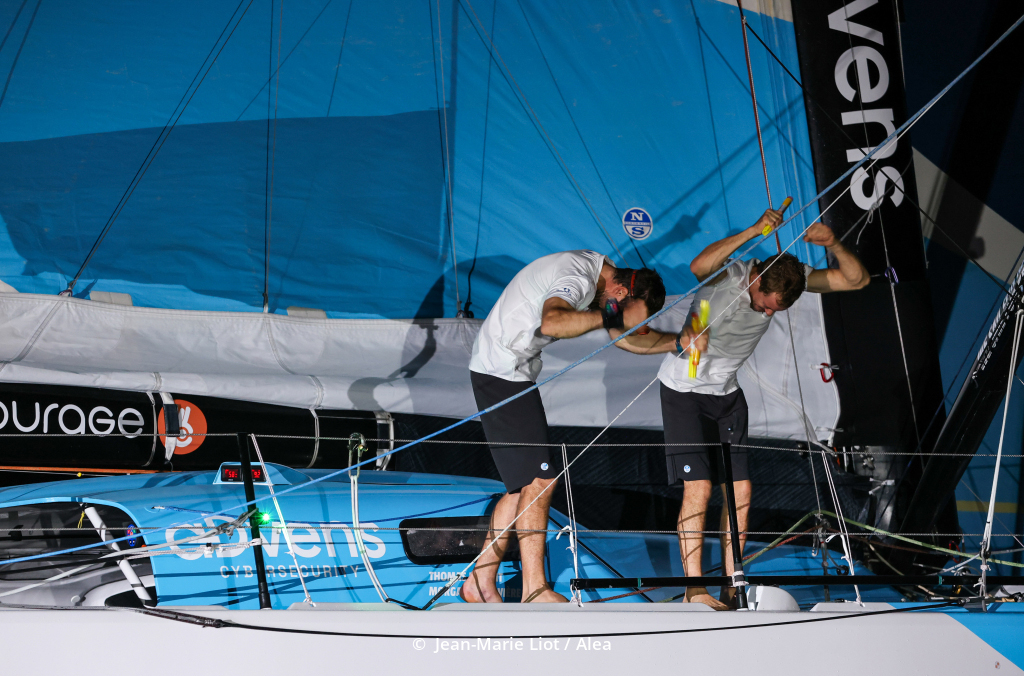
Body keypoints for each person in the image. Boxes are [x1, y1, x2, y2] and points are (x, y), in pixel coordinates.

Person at [610, 205, 869, 609]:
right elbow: (698, 264)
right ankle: (695, 591)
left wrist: (834, 243)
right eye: (766, 305)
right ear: (759, 279)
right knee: (700, 487)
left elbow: (857, 280)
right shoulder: (729, 276)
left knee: (741, 490)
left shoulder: (788, 280)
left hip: (727, 395)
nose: (767, 313)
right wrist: (753, 228)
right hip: (683, 388)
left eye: (774, 311)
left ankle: (734, 588)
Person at [462, 250, 666, 603]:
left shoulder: (600, 280)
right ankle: (535, 590)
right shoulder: (576, 277)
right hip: (501, 371)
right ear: (620, 294)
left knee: (521, 489)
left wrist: (679, 342)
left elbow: (627, 337)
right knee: (541, 482)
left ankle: (479, 582)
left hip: (504, 369)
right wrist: (609, 316)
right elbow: (553, 323)